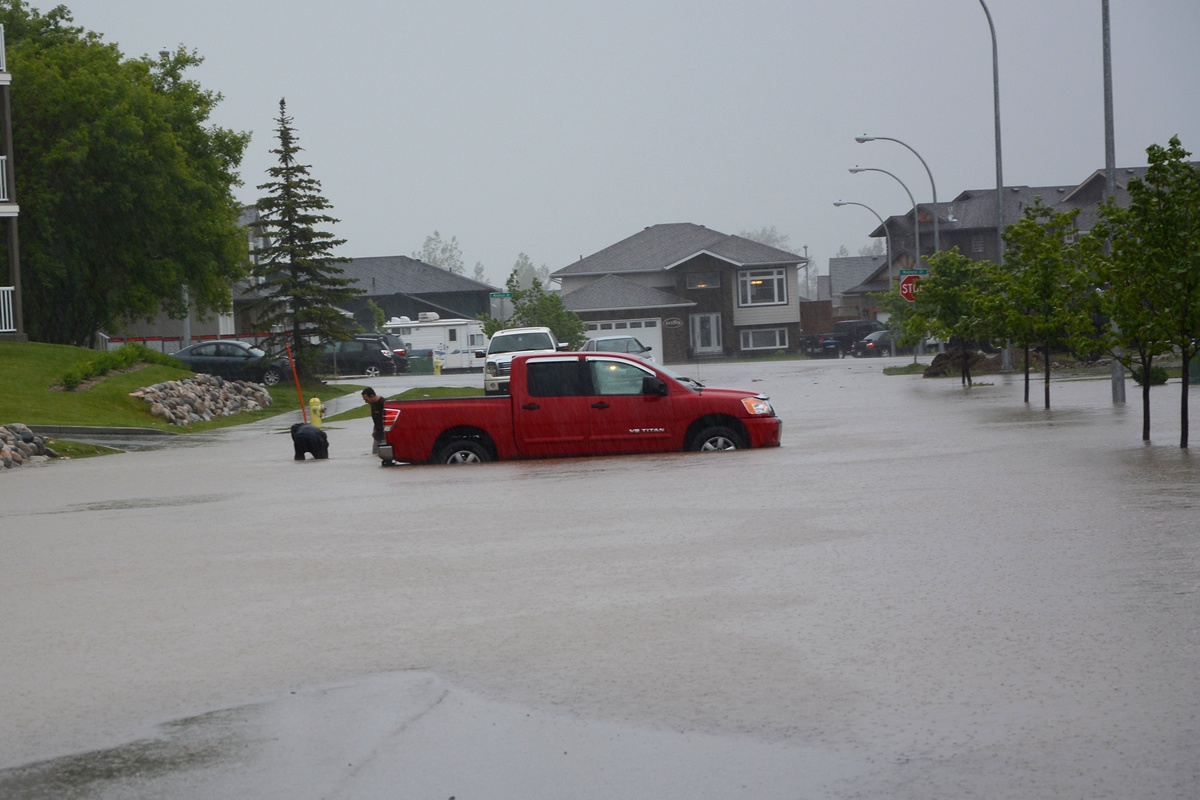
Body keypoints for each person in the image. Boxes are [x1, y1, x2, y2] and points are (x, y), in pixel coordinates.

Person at [361, 387, 386, 454]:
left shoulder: (384, 403)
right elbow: (376, 419)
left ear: (372, 396)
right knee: (374, 454)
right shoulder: (372, 404)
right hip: (377, 434)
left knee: (383, 454)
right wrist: (374, 430)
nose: (365, 402)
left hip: (385, 435)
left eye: (366, 399)